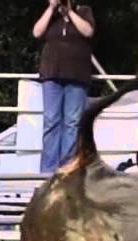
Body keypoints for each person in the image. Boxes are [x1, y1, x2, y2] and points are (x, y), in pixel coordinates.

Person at [35, 0, 96, 173]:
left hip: (77, 75)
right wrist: (51, 8)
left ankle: (68, 169)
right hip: (51, 74)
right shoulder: (50, 14)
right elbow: (37, 32)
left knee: (73, 123)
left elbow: (88, 31)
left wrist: (69, 12)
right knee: (50, 122)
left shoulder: (84, 10)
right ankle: (48, 171)